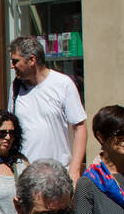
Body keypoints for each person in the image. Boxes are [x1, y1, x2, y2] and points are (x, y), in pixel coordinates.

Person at [7, 35, 87, 183]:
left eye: (15, 61)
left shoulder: (62, 84)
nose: (12, 66)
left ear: (32, 60)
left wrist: (74, 170)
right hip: (26, 175)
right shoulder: (16, 87)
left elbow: (80, 127)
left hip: (57, 174)